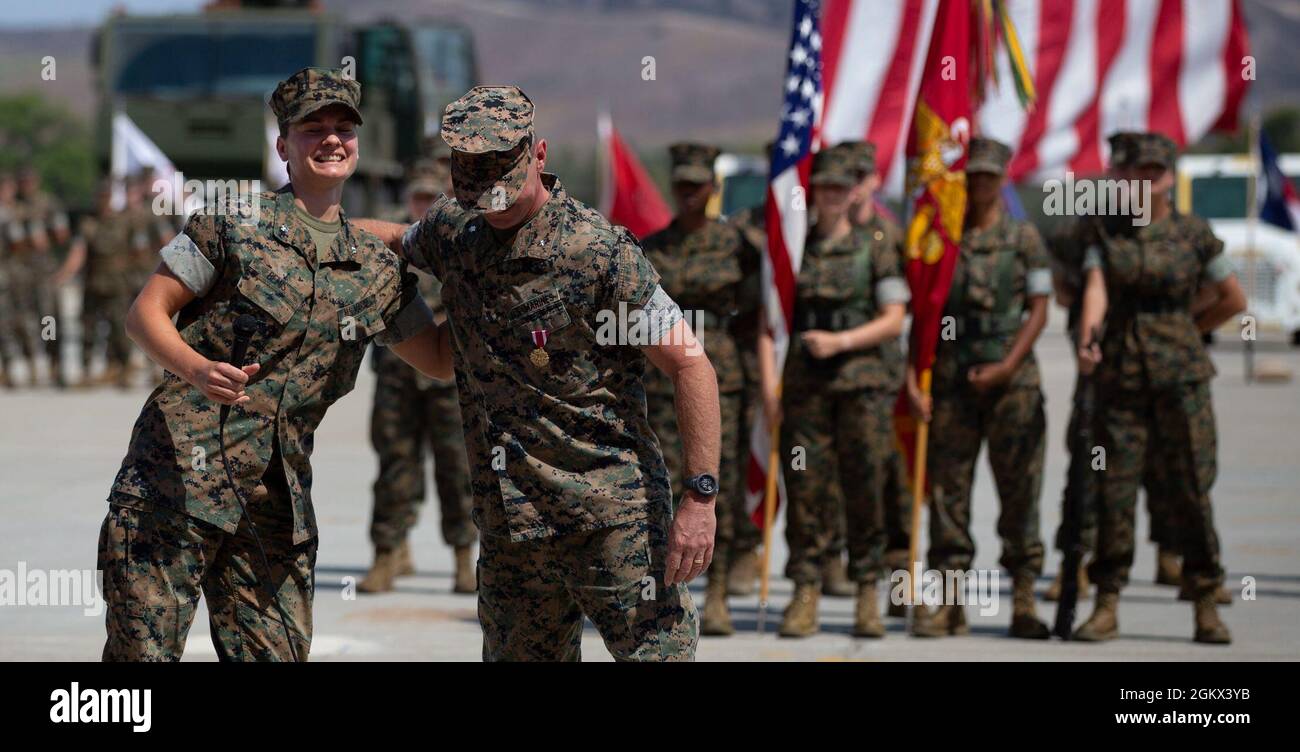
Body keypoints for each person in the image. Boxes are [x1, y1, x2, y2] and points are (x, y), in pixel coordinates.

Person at [355, 85, 721, 662]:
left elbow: (690, 364)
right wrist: (315, 233)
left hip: (612, 521)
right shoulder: (458, 229)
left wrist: (700, 499)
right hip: (510, 529)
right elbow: (400, 250)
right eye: (471, 175)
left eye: (501, 173)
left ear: (539, 153)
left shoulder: (598, 253)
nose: (489, 195)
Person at [97, 67, 439, 661]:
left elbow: (441, 360)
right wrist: (195, 367)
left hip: (274, 506)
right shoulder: (228, 222)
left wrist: (492, 287)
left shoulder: (377, 271)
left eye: (343, 129)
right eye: (313, 129)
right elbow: (145, 314)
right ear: (284, 146)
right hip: (174, 483)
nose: (331, 140)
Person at [1073, 132, 1245, 644]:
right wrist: (1088, 338)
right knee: (1113, 493)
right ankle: (1106, 603)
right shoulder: (1107, 232)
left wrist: (1189, 328)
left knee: (1191, 490)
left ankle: (1206, 603)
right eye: (1136, 173)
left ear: (1170, 177)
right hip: (1121, 379)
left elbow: (1232, 297)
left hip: (1181, 382)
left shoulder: (1194, 233)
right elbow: (1097, 288)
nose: (1145, 181)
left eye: (1155, 172)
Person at [758, 142, 908, 638]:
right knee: (805, 492)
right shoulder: (794, 248)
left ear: (852, 192)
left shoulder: (877, 244)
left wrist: (842, 340)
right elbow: (769, 323)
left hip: (861, 388)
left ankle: (868, 590)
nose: (832, 196)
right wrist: (770, 387)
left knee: (864, 487)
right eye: (823, 187)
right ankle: (805, 590)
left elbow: (893, 319)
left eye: (841, 188)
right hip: (805, 391)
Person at [908, 137, 1052, 639]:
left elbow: (1039, 309)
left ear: (1003, 178)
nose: (982, 185)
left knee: (1020, 493)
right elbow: (923, 313)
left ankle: (1025, 601)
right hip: (953, 383)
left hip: (1013, 385)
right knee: (949, 495)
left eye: (991, 177)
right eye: (975, 177)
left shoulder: (1024, 238)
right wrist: (915, 373)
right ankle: (950, 603)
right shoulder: (942, 241)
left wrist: (1009, 365)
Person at [641, 142, 759, 636]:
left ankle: (717, 595)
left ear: (714, 187)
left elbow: (758, 314)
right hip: (663, 383)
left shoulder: (739, 246)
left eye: (698, 186)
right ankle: (666, 590)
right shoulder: (652, 248)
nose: (689, 194)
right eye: (681, 186)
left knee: (715, 485)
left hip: (722, 380)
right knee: (663, 485)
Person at [359, 155, 476, 595]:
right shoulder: (389, 237)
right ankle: (387, 554)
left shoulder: (456, 235)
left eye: (432, 197)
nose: (423, 204)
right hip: (396, 371)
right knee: (395, 464)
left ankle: (464, 557)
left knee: (457, 467)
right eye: (418, 196)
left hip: (448, 372)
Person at [843, 139, 913, 615]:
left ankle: (901, 577)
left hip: (889, 381)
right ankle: (849, 572)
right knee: (843, 483)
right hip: (838, 384)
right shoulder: (820, 237)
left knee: (894, 483)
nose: (851, 189)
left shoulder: (893, 238)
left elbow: (913, 311)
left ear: (872, 181)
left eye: (859, 178)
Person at [52, 179, 136, 388]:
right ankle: (86, 370)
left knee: (120, 328)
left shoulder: (125, 221)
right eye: (101, 196)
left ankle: (124, 369)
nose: (104, 200)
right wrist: (63, 274)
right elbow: (78, 252)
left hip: (118, 284)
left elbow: (138, 251)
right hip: (93, 283)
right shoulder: (88, 223)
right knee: (88, 329)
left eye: (107, 196)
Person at [11, 165, 71, 387]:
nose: (26, 185)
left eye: (30, 181)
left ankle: (54, 364)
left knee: (49, 320)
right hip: (19, 273)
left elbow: (63, 235)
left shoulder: (48, 204)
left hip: (45, 271)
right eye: (23, 181)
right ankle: (31, 367)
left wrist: (49, 235)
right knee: (20, 320)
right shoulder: (12, 206)